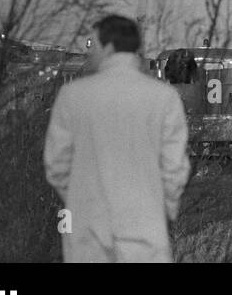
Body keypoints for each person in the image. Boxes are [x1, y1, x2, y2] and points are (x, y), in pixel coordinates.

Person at [43, 14, 191, 263]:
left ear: (108, 46)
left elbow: (56, 165)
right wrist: (164, 208)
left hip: (88, 232)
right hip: (145, 228)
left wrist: (80, 199)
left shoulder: (73, 95)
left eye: (93, 44)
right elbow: (175, 168)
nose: (89, 51)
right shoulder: (164, 97)